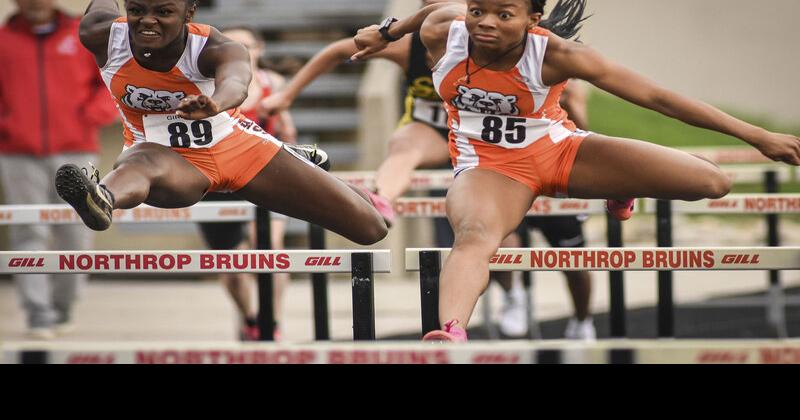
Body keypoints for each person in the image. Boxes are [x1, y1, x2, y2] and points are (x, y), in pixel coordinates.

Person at [352, 0, 800, 342]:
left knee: (713, 181)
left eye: (504, 14)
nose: (485, 23)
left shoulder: (558, 54)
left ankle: (618, 183)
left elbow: (658, 98)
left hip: (560, 151)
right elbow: (428, 10)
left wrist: (756, 136)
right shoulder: (444, 30)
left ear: (533, 20)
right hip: (488, 168)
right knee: (474, 237)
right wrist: (386, 32)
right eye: (477, 10)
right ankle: (450, 334)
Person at [56, 0, 387, 285]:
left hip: (237, 148)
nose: (147, 21)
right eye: (137, 10)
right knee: (141, 160)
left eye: (164, 11)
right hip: (170, 161)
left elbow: (237, 82)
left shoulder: (215, 47)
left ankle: (291, 157)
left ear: (190, 12)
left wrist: (215, 102)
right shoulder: (101, 34)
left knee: (370, 228)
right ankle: (101, 197)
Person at [261, 0, 461, 227]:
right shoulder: (407, 47)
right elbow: (337, 51)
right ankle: (381, 201)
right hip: (432, 129)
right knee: (404, 146)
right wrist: (287, 95)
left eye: (446, 40)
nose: (433, 54)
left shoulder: (494, 46)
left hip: (487, 134)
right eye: (431, 36)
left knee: (488, 226)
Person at [0, 0, 118, 339]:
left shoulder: (82, 38)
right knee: (28, 232)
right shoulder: (4, 39)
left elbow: (109, 82)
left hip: (77, 150)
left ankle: (64, 307)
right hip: (17, 153)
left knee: (78, 230)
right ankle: (39, 313)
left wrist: (90, 118)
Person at [196, 26, 298, 341]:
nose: (238, 50)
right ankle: (249, 317)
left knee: (270, 247)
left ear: (260, 48)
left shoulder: (274, 84)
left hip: (261, 176)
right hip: (216, 181)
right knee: (232, 261)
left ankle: (274, 321)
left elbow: (287, 133)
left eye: (245, 45)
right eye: (229, 43)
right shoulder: (207, 86)